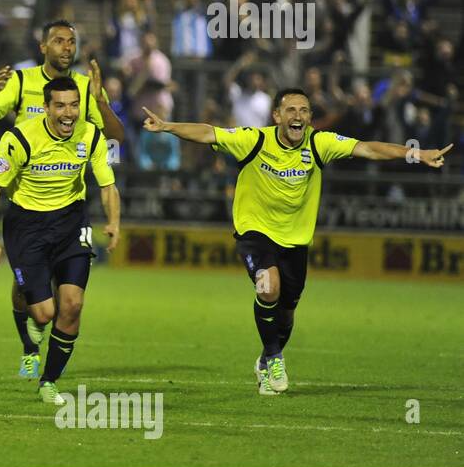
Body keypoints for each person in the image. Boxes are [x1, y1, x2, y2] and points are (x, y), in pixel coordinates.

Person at [140, 91, 452, 395]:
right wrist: (168, 126)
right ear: (277, 116)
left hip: (295, 240)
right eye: (290, 110)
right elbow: (210, 133)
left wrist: (416, 153)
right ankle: (275, 360)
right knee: (268, 288)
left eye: (303, 110)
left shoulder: (320, 143)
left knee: (287, 312)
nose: (297, 116)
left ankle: (265, 359)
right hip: (255, 232)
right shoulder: (255, 140)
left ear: (310, 117)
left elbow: (368, 149)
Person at [0, 20, 125, 379]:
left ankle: (49, 374)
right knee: (32, 297)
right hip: (27, 204)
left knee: (67, 299)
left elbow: (115, 136)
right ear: (43, 47)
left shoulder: (84, 88)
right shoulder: (22, 82)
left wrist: (100, 100)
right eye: (58, 41)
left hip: (69, 205)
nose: (66, 48)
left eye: (72, 41)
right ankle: (28, 346)